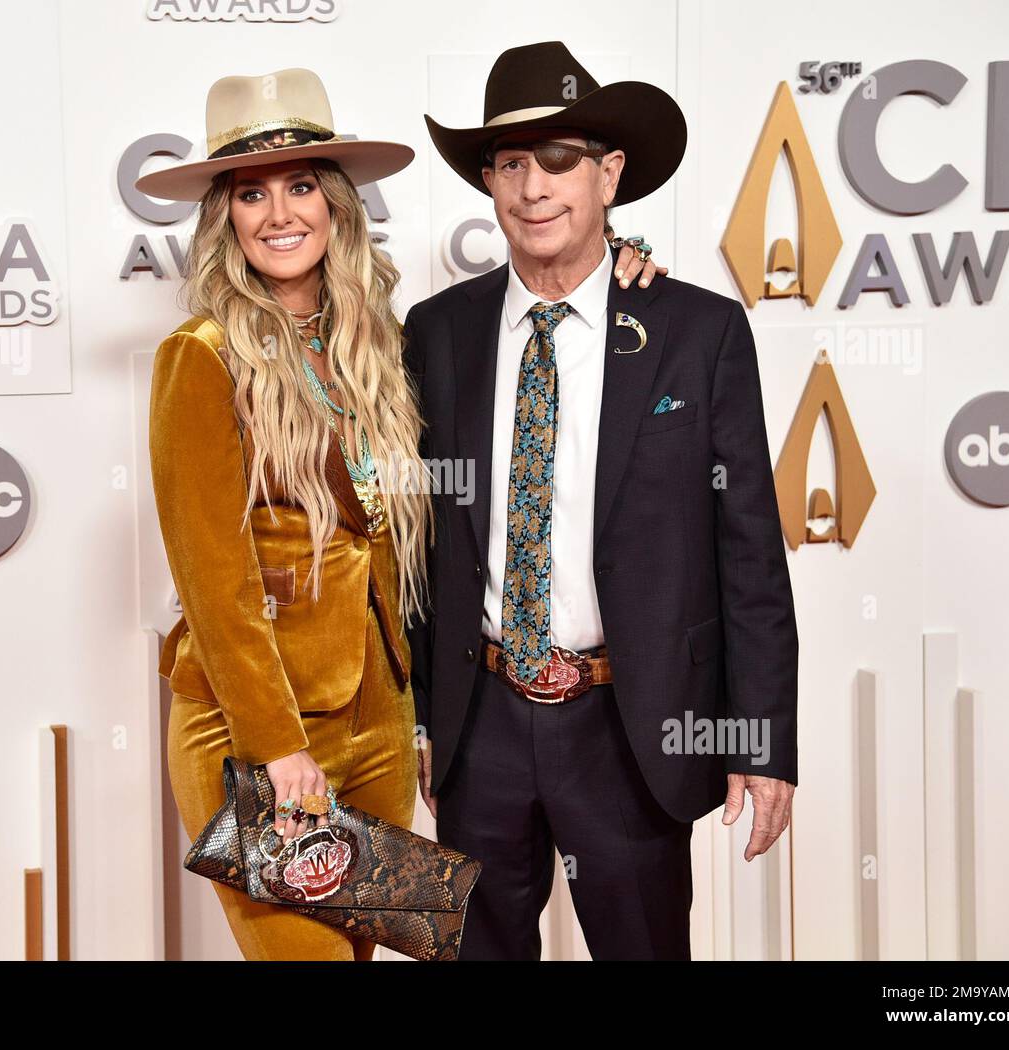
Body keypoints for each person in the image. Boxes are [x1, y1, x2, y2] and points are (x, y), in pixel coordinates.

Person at [138, 66, 665, 960]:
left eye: (301, 185)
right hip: (260, 733)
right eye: (250, 193)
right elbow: (212, 579)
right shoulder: (202, 357)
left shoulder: (376, 344)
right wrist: (277, 749)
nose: (280, 213)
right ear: (223, 216)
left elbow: (404, 543)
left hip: (378, 722)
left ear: (337, 203)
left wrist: (623, 263)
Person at [404, 41, 800, 960]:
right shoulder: (436, 333)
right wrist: (423, 715)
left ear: (609, 174)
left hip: (630, 725)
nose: (533, 188)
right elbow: (419, 549)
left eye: (559, 160)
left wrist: (765, 737)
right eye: (510, 163)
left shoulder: (695, 331)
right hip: (482, 722)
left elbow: (748, 549)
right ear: (488, 182)